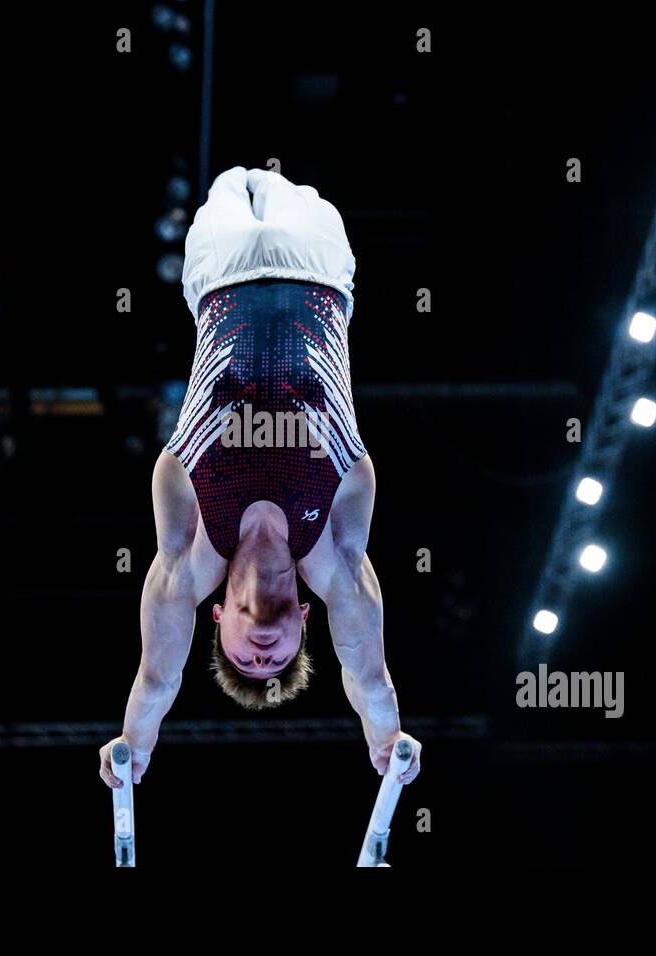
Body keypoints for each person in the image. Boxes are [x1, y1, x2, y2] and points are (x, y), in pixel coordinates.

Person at [99, 167, 421, 791]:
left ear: (217, 620)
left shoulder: (191, 553)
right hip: (320, 274)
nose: (265, 658)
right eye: (280, 661)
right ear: (306, 619)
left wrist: (135, 743)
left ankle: (231, 176)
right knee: (294, 184)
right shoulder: (332, 552)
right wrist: (384, 735)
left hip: (220, 277)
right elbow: (366, 670)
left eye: (248, 660)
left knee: (231, 181)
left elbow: (159, 674)